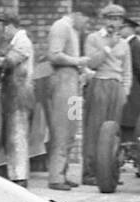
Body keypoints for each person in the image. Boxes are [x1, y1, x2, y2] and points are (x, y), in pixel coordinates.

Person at [0, 10, 35, 187]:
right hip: (13, 94)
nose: (2, 34)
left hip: (20, 94)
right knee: (12, 137)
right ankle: (15, 175)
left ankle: (20, 177)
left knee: (17, 136)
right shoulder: (15, 42)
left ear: (10, 26)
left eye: (3, 29)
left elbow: (8, 62)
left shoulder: (22, 42)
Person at [45, 3, 94, 191]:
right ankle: (55, 177)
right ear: (77, 14)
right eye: (86, 19)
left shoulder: (73, 30)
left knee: (72, 128)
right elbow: (54, 55)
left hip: (74, 87)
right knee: (62, 129)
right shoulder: (61, 27)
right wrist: (77, 61)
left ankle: (63, 172)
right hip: (62, 85)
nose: (86, 24)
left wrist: (84, 69)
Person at [81, 4, 131, 187]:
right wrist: (108, 46)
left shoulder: (125, 43)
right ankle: (90, 172)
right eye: (111, 18)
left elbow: (127, 70)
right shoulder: (93, 38)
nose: (114, 22)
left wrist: (125, 90)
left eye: (118, 19)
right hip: (99, 82)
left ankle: (109, 173)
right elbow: (92, 63)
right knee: (95, 130)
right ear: (104, 19)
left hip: (116, 87)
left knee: (113, 131)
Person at [119, 14, 140, 146]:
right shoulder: (128, 44)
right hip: (130, 83)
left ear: (130, 29)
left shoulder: (135, 44)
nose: (120, 31)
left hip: (134, 85)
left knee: (131, 117)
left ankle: (130, 146)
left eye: (123, 28)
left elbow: (139, 66)